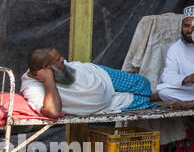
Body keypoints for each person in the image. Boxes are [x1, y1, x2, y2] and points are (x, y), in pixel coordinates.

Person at [20, 48, 153, 118]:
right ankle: (157, 96)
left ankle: (158, 95)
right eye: (57, 60)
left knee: (144, 84)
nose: (63, 59)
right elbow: (53, 112)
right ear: (46, 67)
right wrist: (48, 80)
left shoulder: (56, 67)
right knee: (144, 101)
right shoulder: (31, 87)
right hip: (107, 105)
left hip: (103, 76)